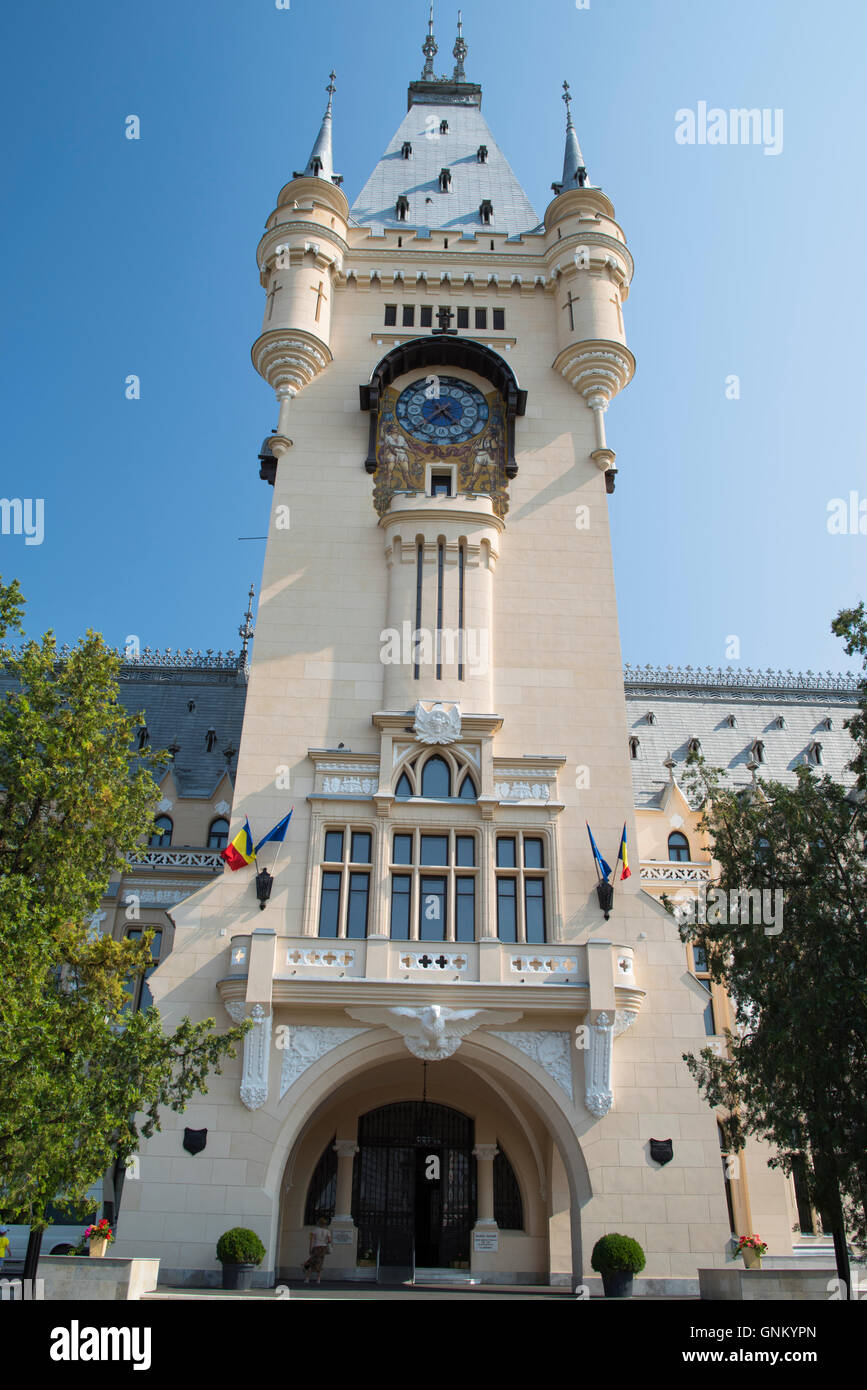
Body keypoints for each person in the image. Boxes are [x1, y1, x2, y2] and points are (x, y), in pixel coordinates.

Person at [302, 1217, 332, 1284]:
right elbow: (329, 1240)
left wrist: (310, 1249)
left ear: (318, 1223)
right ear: (325, 1224)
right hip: (323, 1248)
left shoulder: (315, 1230)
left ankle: (307, 1278)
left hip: (316, 1247)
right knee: (320, 1263)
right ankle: (318, 1279)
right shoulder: (327, 1231)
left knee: (311, 1262)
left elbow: (311, 1240)